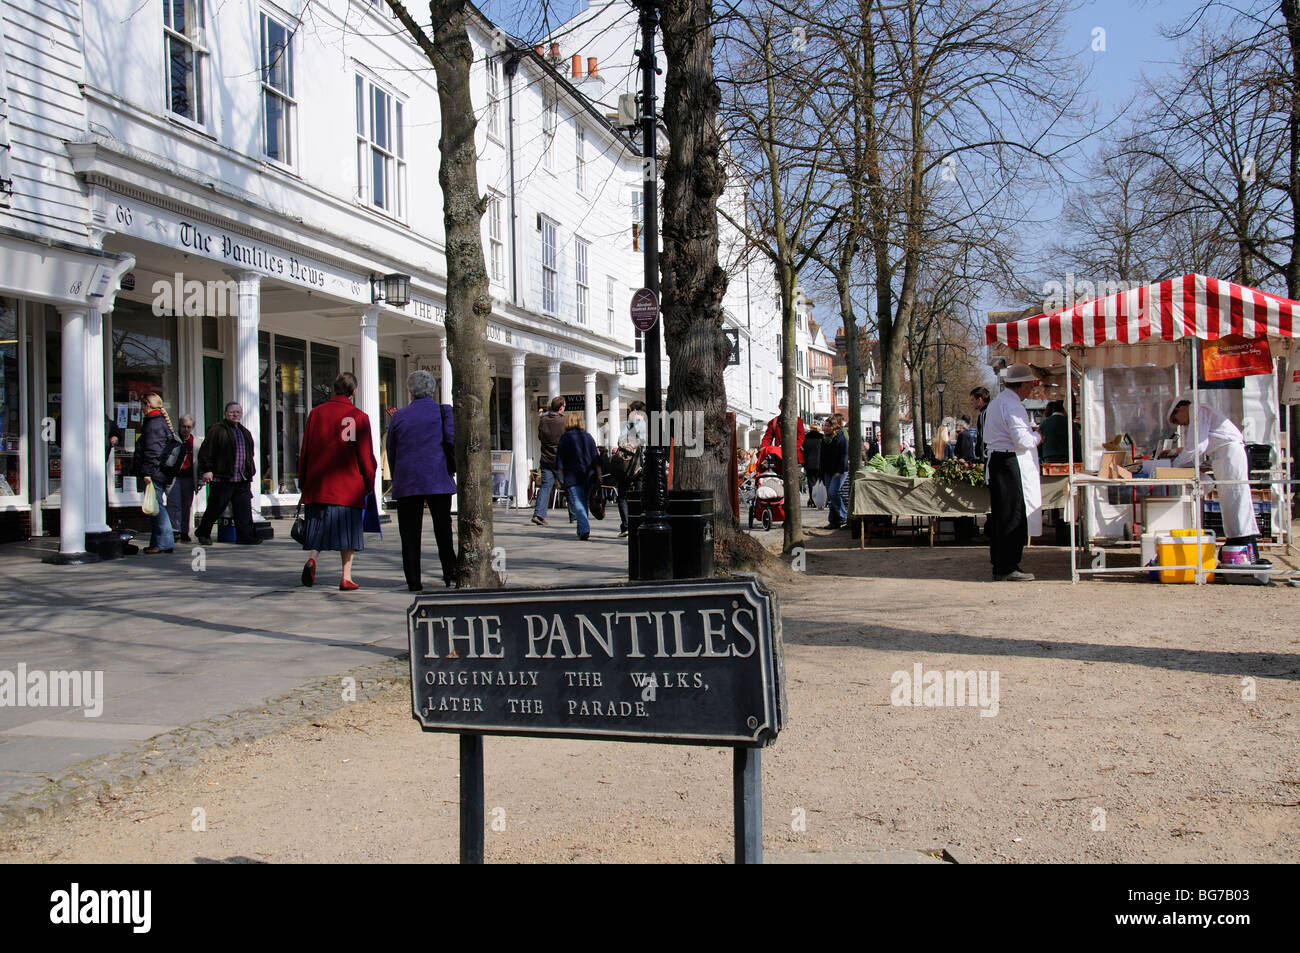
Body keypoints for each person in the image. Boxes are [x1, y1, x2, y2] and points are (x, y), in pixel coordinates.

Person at [297, 373, 378, 590]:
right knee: (348, 532)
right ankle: (346, 576)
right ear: (354, 391)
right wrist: (369, 481)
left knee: (318, 528)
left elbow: (304, 450)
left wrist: (303, 480)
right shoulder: (358, 416)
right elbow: (365, 455)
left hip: (319, 484)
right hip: (348, 486)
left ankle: (313, 558)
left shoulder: (316, 413)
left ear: (334, 389)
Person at [1160, 396, 1263, 564]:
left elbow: (1197, 446)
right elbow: (1199, 444)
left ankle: (1243, 542)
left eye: (1176, 419)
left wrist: (1173, 466)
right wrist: (1173, 454)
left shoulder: (1197, 411)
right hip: (1223, 456)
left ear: (1180, 409)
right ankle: (1237, 540)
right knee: (1230, 501)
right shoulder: (1198, 412)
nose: (1180, 424)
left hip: (1230, 456)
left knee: (1236, 499)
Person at [387, 369, 457, 591]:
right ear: (432, 390)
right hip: (437, 476)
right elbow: (451, 441)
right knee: (443, 529)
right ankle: (450, 572)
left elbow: (392, 450)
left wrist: (398, 473)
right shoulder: (443, 412)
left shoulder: (398, 416)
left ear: (410, 391)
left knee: (409, 533)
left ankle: (413, 581)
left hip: (408, 479)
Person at [983, 365, 1042, 581]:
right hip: (1009, 462)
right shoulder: (1012, 405)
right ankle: (1008, 565)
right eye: (1030, 385)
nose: (1031, 389)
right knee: (1012, 514)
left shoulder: (998, 403)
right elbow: (1022, 440)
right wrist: (1037, 437)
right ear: (1023, 384)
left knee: (1001, 515)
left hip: (999, 460)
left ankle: (1001, 563)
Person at [195, 402, 259, 546]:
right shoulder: (217, 429)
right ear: (225, 413)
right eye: (232, 412)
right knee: (215, 508)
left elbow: (250, 453)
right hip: (223, 477)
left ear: (241, 414)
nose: (235, 414)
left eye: (238, 412)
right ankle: (203, 532)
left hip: (242, 477)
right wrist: (207, 469)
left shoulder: (245, 432)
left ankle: (245, 536)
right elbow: (206, 451)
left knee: (243, 510)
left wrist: (249, 471)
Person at [134, 393, 178, 555]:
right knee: (155, 506)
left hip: (154, 472)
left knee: (157, 507)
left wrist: (146, 473)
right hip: (158, 471)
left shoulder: (153, 424)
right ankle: (157, 543)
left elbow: (153, 452)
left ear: (148, 405)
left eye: (142, 405)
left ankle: (164, 542)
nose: (141, 408)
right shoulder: (158, 422)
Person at [557, 411, 599, 540]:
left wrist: (561, 476)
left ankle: (585, 529)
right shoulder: (588, 437)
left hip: (572, 475)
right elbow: (595, 457)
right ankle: (581, 530)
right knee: (583, 502)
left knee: (578, 503)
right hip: (588, 475)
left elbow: (560, 461)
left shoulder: (565, 438)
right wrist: (599, 474)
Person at [613, 399, 648, 537]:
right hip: (640, 465)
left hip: (626, 464)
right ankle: (638, 523)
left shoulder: (627, 424)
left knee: (622, 495)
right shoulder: (645, 425)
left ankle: (626, 525)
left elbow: (620, 442)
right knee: (639, 495)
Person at [532, 396, 566, 526]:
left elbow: (540, 436)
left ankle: (538, 514)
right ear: (561, 407)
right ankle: (575, 514)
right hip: (559, 459)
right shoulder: (563, 421)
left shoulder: (543, 420)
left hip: (546, 458)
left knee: (546, 486)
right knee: (568, 485)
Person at [165, 415, 196, 542]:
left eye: (189, 427)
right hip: (174, 476)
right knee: (174, 503)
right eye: (183, 426)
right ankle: (174, 530)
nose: (186, 429)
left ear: (192, 428)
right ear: (179, 426)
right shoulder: (173, 439)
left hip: (189, 477)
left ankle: (184, 531)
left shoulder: (195, 442)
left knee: (186, 505)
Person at [760, 398, 806, 464]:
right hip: (779, 457)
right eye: (783, 406)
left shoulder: (797, 421)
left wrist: (788, 448)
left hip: (794, 457)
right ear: (779, 406)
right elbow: (767, 438)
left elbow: (800, 438)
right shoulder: (774, 422)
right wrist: (764, 448)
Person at [823, 417, 850, 529]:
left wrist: (840, 470)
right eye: (824, 425)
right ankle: (834, 520)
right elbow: (822, 456)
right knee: (830, 496)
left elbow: (844, 455)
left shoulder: (840, 438)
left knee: (833, 493)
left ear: (833, 427)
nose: (825, 428)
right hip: (827, 470)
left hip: (838, 471)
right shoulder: (825, 439)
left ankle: (843, 516)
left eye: (827, 426)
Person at [1038, 400, 1080, 465]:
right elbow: (1076, 442)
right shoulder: (1069, 423)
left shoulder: (1044, 423)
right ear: (1064, 409)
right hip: (1067, 457)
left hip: (1048, 457)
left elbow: (1039, 442)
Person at [802, 419, 823, 507]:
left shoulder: (805, 438)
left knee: (811, 483)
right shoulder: (822, 438)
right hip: (820, 463)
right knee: (820, 482)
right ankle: (821, 499)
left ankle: (812, 499)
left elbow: (803, 451)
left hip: (809, 464)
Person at [970, 387, 991, 462]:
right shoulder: (991, 411)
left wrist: (982, 456)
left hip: (988, 455)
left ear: (979, 400)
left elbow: (983, 436)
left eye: (972, 400)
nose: (971, 403)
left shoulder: (984, 414)